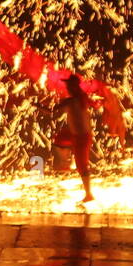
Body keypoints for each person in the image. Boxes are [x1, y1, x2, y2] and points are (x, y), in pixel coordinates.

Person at [52, 73, 94, 203]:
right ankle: (65, 163)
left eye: (68, 85)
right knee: (58, 140)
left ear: (73, 87)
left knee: (82, 166)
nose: (67, 88)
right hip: (78, 135)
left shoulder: (73, 100)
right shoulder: (81, 98)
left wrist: (38, 106)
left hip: (81, 136)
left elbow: (54, 110)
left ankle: (89, 194)